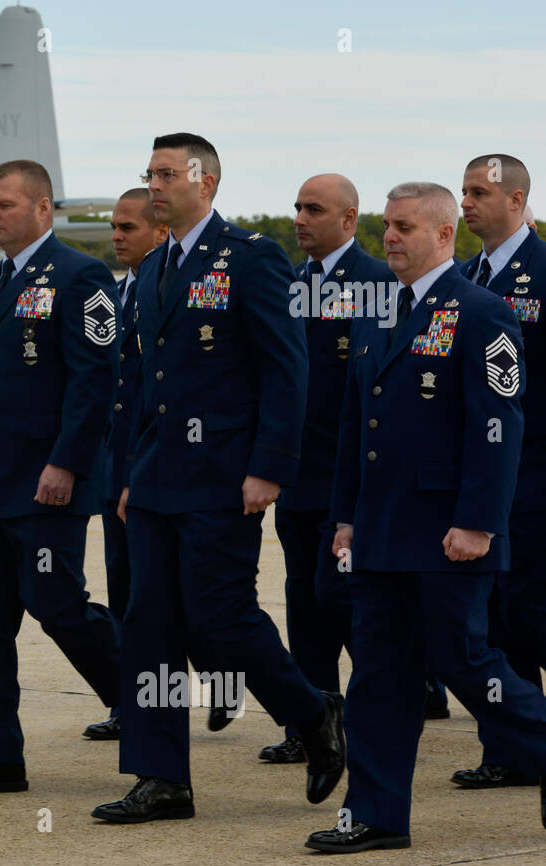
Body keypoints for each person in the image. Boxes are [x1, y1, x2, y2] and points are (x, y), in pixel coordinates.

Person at [93, 133, 345, 826]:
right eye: (149, 174)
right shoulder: (152, 269)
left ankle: (311, 711)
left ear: (206, 182)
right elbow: (143, 383)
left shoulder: (252, 258)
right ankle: (161, 776)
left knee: (221, 616)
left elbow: (285, 370)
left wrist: (269, 468)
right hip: (156, 479)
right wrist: (128, 475)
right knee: (148, 626)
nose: (154, 187)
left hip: (225, 476)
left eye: (167, 174)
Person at [307, 182, 546, 852]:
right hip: (382, 532)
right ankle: (375, 815)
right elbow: (359, 429)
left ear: (444, 233)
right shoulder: (377, 311)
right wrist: (346, 519)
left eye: (405, 226)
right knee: (378, 679)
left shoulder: (483, 311)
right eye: (386, 225)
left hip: (450, 533)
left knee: (468, 665)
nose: (390, 238)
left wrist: (478, 521)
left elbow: (498, 428)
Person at [0, 159, 122, 796]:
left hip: (44, 485)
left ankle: (144, 692)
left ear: (42, 209)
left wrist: (66, 462)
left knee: (56, 605)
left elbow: (96, 382)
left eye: (5, 205)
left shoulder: (81, 276)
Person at [260, 174, 393, 764]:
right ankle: (312, 721)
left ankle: (383, 707)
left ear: (348, 218)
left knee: (341, 596)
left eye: (313, 208)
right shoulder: (294, 282)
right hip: (299, 472)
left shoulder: (375, 282)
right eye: (296, 207)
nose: (299, 218)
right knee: (304, 602)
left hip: (350, 476)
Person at [449, 153, 546, 789]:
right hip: (483, 480)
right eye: (461, 193)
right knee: (497, 619)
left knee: (534, 614)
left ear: (515, 199)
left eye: (479, 192)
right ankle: (509, 749)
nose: (466, 204)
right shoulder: (464, 277)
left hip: (538, 474)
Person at [84, 188, 166, 742]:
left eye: (128, 228)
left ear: (161, 232)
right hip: (115, 469)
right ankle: (130, 702)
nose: (116, 236)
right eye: (114, 227)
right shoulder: (116, 294)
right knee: (122, 590)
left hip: (155, 467)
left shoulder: (165, 292)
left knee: (167, 599)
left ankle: (232, 687)